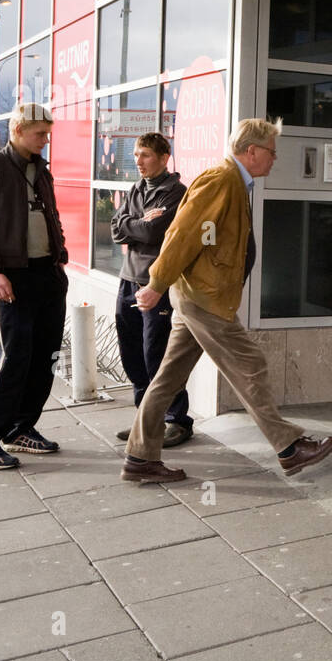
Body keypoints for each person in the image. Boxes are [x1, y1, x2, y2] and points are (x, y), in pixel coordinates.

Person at [121, 117, 332, 483]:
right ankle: (289, 447)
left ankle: (140, 459)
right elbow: (182, 234)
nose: (275, 158)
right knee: (250, 364)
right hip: (204, 298)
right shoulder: (221, 179)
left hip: (199, 296)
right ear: (251, 151)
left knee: (167, 379)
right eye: (271, 151)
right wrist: (157, 282)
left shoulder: (235, 181)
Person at [0, 103, 68, 469]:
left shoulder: (42, 170)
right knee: (14, 357)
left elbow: (51, 215)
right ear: (18, 130)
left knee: (46, 357)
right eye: (40, 134)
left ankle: (22, 427)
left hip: (48, 275)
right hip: (14, 277)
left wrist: (61, 252)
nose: (45, 140)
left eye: (47, 134)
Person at [110, 133, 192, 448]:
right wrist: (136, 223)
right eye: (135, 154)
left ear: (163, 157)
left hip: (155, 283)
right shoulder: (137, 188)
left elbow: (153, 229)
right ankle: (147, 420)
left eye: (144, 155)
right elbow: (117, 226)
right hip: (128, 279)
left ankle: (177, 420)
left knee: (156, 354)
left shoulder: (176, 193)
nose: (138, 161)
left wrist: (136, 224)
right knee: (131, 353)